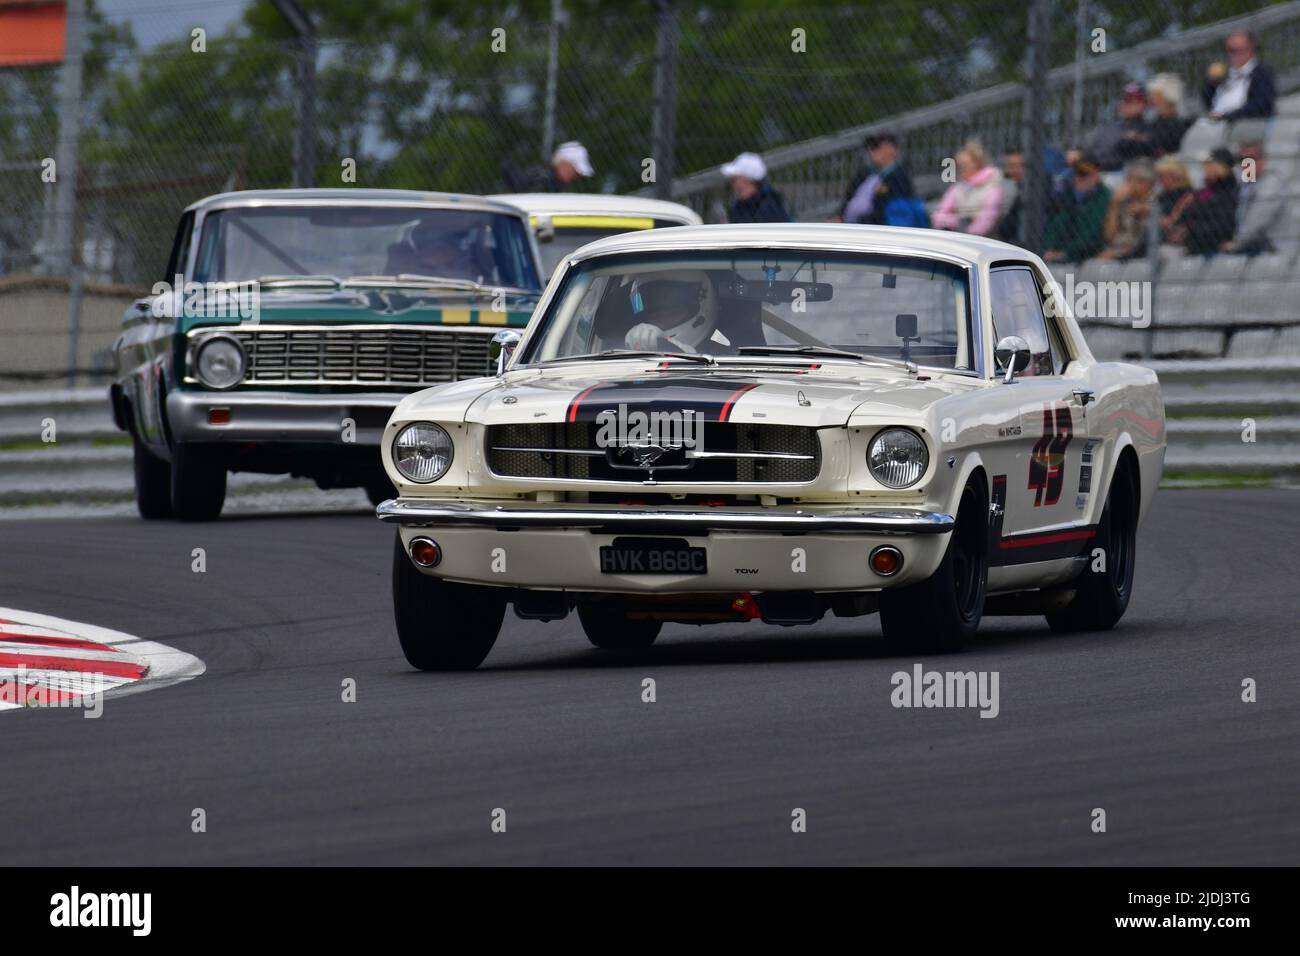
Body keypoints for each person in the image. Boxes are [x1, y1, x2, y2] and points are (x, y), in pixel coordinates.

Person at [623, 271, 720, 353]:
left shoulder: (726, 354)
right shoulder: (617, 352)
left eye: (673, 313)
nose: (663, 322)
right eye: (655, 316)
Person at [1043, 152, 1111, 262]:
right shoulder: (1070, 196)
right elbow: (1055, 227)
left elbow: (1092, 238)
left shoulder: (1104, 198)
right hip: (1060, 255)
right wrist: (1049, 248)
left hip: (1088, 257)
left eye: (1084, 173)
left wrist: (1064, 254)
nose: (1079, 178)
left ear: (1097, 175)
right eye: (1077, 173)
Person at [836, 131, 915, 225]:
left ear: (892, 149)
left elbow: (888, 212)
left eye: (877, 146)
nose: (872, 151)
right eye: (871, 147)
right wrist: (839, 217)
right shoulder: (864, 174)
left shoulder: (899, 178)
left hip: (875, 230)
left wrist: (858, 223)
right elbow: (847, 198)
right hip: (850, 225)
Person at [1223, 142, 1286, 256]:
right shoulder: (1244, 186)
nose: (1246, 164)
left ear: (1263, 161)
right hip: (1250, 246)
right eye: (1242, 159)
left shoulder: (1271, 184)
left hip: (1272, 249)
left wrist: (1236, 244)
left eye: (1251, 159)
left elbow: (1256, 222)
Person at [932, 142, 1003, 236]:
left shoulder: (992, 187)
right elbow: (938, 217)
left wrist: (955, 219)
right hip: (958, 236)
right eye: (959, 165)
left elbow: (985, 222)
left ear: (977, 163)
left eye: (964, 165)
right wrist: (961, 221)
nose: (960, 169)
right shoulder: (957, 188)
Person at [1203, 30, 1276, 121]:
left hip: (1243, 125)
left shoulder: (1261, 73)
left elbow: (1261, 107)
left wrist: (1225, 117)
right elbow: (1209, 102)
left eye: (1236, 50)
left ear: (1250, 49)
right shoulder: (1225, 72)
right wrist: (1211, 84)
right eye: (1229, 50)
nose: (1231, 55)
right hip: (1216, 122)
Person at [1183, 148, 1239, 256]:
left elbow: (1223, 224)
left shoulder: (1229, 192)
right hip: (1195, 245)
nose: (1205, 169)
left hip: (1214, 247)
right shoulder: (1200, 192)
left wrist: (1192, 231)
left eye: (1209, 165)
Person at [1085, 82, 1152, 171]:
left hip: (1125, 174)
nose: (1129, 104)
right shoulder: (1108, 128)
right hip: (1096, 173)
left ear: (1144, 105)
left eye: (1136, 100)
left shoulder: (1150, 128)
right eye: (1127, 99)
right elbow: (1090, 153)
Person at [1098, 159, 1156, 260]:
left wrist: (1146, 210)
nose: (1129, 185)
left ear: (1148, 184)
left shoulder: (1156, 202)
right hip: (1115, 249)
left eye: (1133, 181)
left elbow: (1142, 241)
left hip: (1138, 253)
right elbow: (1109, 237)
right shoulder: (1122, 202)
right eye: (1128, 180)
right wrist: (1114, 205)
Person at [722, 152, 791, 223]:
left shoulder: (768, 207)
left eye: (735, 179)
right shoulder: (740, 207)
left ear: (750, 180)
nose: (733, 184)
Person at [502, 140, 594, 193]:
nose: (575, 177)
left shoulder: (553, 181)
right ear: (563, 163)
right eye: (574, 171)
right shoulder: (543, 180)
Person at [1145, 73, 1192, 156]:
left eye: (1155, 95)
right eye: (1150, 95)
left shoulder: (1184, 124)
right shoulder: (1151, 123)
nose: (1150, 98)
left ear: (1167, 97)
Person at [1154, 156, 1195, 247]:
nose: (1160, 180)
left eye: (1163, 176)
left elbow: (1173, 220)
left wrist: (1165, 220)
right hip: (1161, 237)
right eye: (1159, 176)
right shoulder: (1162, 195)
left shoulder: (1189, 195)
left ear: (1176, 176)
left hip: (1181, 241)